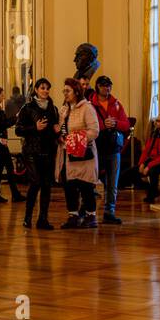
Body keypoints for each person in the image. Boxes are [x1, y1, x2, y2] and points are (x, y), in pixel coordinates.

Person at [56, 77, 100, 229]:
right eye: (64, 91)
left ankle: (91, 216)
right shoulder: (64, 109)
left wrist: (76, 139)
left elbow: (94, 131)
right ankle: (73, 216)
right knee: (70, 186)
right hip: (68, 155)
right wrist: (60, 135)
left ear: (76, 92)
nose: (65, 93)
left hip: (84, 155)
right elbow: (62, 130)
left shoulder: (87, 108)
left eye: (67, 91)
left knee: (86, 186)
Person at [15, 77, 58, 229]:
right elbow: (18, 129)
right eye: (42, 88)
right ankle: (27, 217)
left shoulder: (53, 108)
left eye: (47, 88)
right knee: (36, 182)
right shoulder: (27, 108)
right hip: (32, 151)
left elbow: (55, 129)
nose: (45, 91)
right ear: (36, 90)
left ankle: (43, 219)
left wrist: (57, 131)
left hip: (48, 151)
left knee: (46, 185)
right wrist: (35, 127)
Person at [89, 75, 131, 225]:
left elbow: (126, 125)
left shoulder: (116, 104)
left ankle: (109, 212)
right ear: (97, 87)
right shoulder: (90, 105)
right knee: (91, 181)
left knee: (113, 182)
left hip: (113, 148)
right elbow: (87, 125)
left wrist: (114, 123)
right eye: (103, 85)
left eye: (109, 85)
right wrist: (102, 125)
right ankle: (88, 211)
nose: (106, 88)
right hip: (96, 148)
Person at [0, 86, 24, 204]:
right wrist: (16, 117)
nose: (3, 97)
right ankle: (1, 195)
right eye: (2, 95)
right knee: (3, 168)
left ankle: (8, 194)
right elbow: (4, 124)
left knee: (5, 168)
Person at [139, 116, 160, 204]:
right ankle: (154, 191)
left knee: (153, 172)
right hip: (151, 160)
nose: (155, 123)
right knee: (132, 173)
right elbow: (146, 150)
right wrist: (142, 163)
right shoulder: (154, 133)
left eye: (158, 121)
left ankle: (151, 196)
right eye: (156, 121)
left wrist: (149, 166)